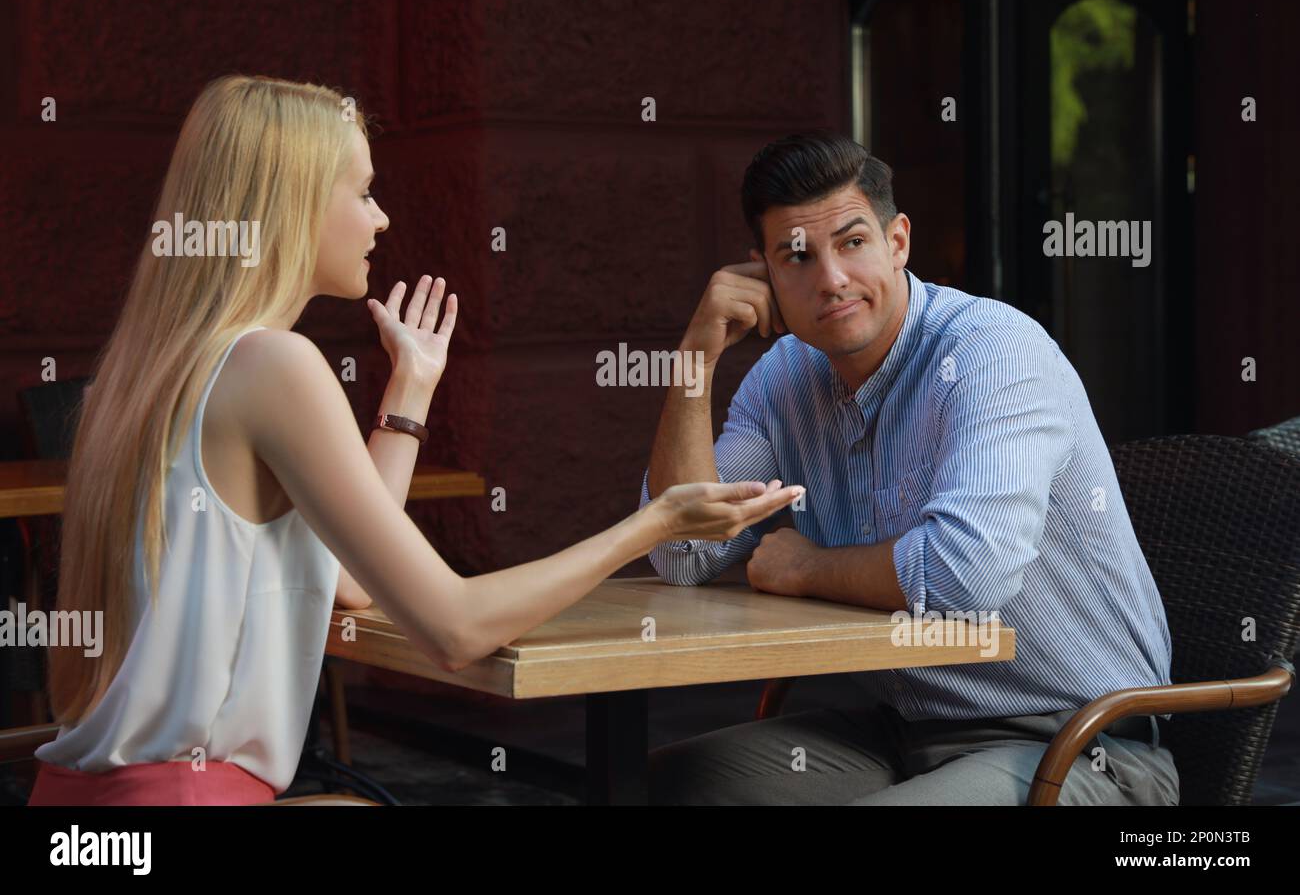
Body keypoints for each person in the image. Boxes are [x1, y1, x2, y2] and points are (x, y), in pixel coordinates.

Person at [28, 74, 802, 805]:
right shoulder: (272, 363)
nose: (381, 217)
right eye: (363, 191)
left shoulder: (140, 377)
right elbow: (454, 629)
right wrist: (656, 523)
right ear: (292, 205)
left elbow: (346, 580)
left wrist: (410, 389)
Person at [640, 130, 1179, 805]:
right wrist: (699, 354)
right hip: (904, 734)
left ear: (898, 243)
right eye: (797, 256)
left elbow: (964, 573)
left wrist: (805, 569)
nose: (831, 278)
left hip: (1080, 746)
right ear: (768, 277)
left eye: (852, 242)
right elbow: (684, 552)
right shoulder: (784, 379)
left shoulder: (995, 353)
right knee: (651, 787)